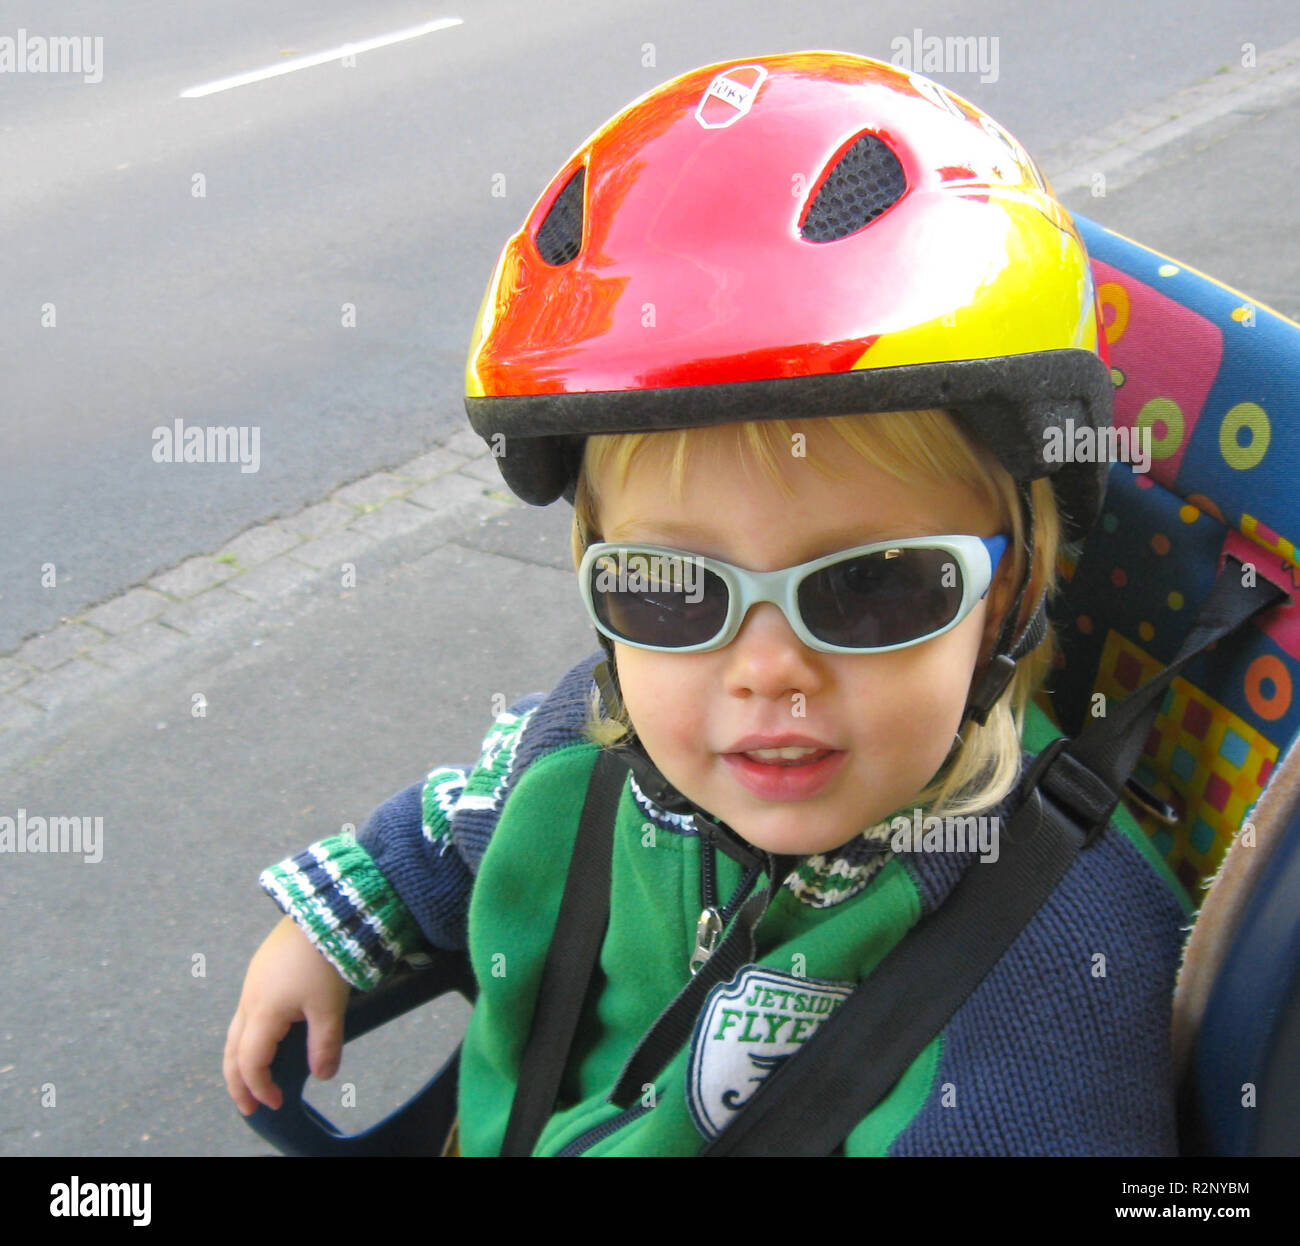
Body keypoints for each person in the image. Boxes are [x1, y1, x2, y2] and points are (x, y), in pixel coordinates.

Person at [223, 51, 1188, 1155]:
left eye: (869, 584)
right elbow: (457, 821)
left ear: (1005, 589)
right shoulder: (583, 753)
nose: (763, 668)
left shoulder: (1053, 949)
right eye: (673, 590)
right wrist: (334, 932)